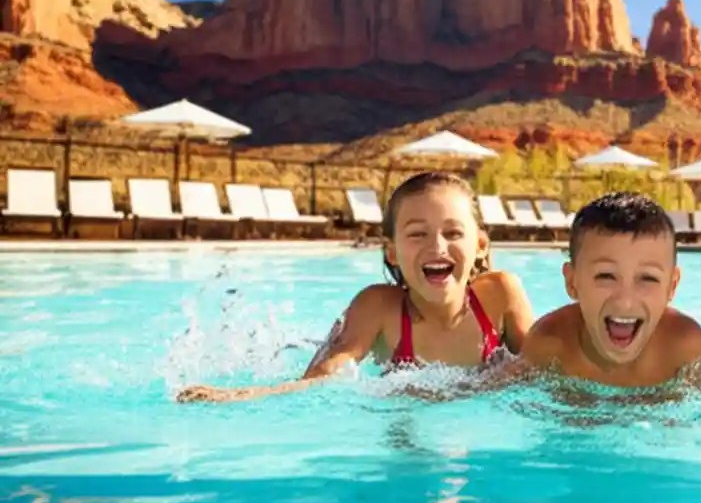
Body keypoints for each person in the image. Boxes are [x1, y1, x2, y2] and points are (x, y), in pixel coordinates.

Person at [176, 171, 535, 403]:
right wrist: (245, 394)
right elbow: (326, 375)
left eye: (453, 232)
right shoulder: (379, 307)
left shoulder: (500, 296)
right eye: (417, 234)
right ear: (392, 252)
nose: (437, 247)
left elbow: (542, 368)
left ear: (481, 246)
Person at [517, 191, 701, 388]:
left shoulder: (684, 349)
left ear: (672, 286)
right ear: (572, 282)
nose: (625, 302)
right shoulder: (550, 347)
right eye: (606, 276)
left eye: (648, 278)